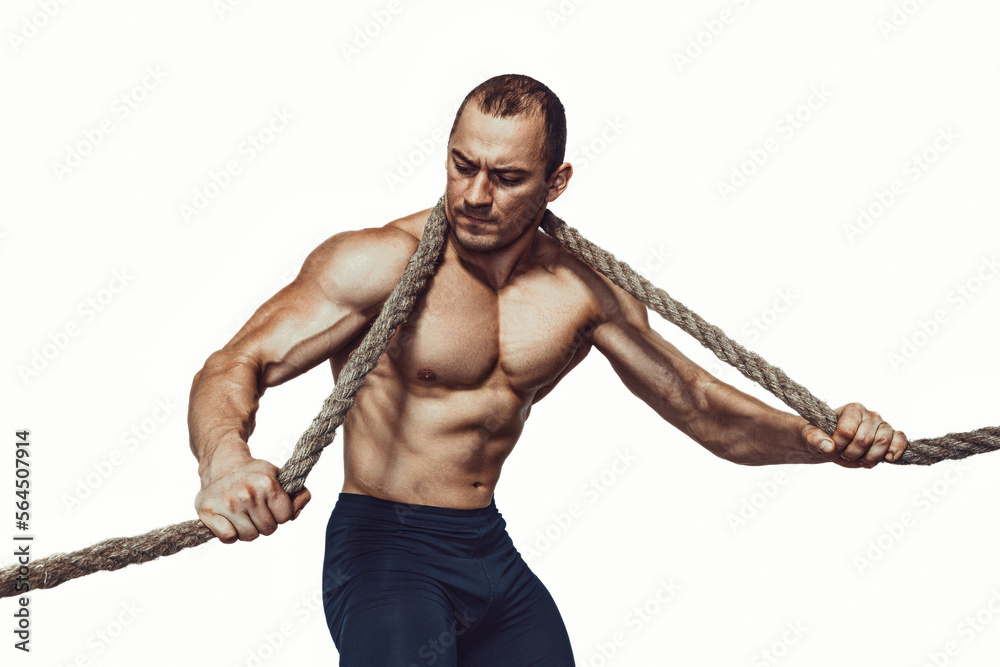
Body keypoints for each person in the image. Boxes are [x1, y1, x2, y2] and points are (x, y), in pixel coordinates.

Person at [187, 74, 909, 666]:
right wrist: (225, 460)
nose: (474, 195)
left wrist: (816, 439)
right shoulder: (378, 262)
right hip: (386, 552)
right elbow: (235, 364)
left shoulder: (582, 291)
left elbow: (700, 405)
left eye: (505, 177)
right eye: (461, 164)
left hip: (485, 549)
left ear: (555, 181)